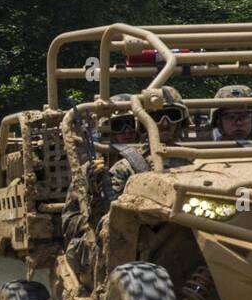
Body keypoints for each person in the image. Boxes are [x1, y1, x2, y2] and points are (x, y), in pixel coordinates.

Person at [61, 87, 190, 285]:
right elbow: (71, 221)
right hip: (125, 244)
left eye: (130, 124)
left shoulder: (191, 158)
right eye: (119, 125)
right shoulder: (108, 168)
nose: (127, 131)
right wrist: (96, 200)